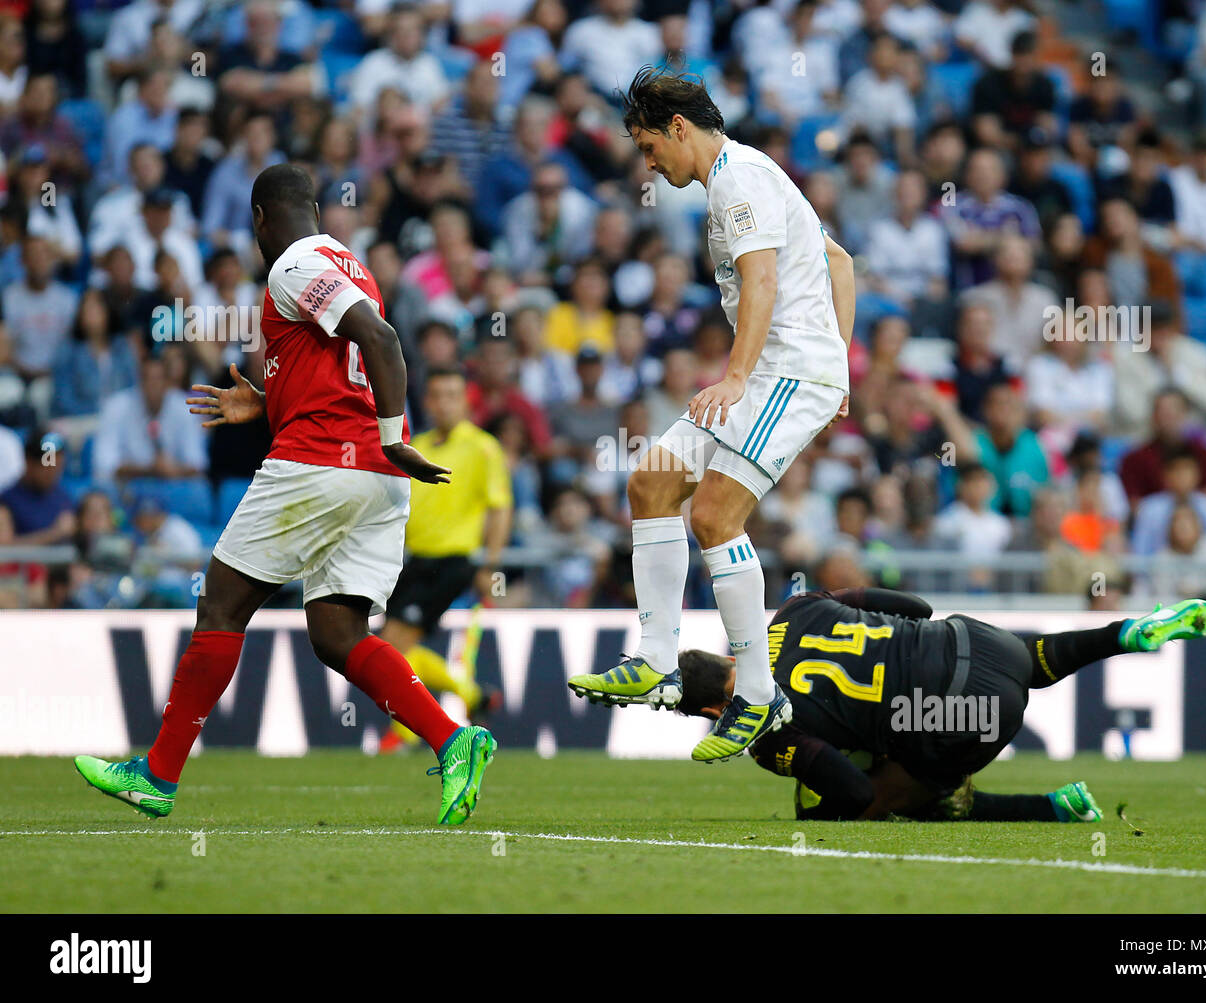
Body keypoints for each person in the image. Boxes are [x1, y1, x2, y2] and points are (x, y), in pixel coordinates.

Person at [73, 164, 496, 826]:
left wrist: (390, 435)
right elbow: (347, 370)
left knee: (220, 603)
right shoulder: (352, 265)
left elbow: (382, 342)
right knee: (336, 633)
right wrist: (270, 401)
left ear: (260, 220)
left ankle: (156, 774)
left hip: (326, 463)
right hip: (374, 482)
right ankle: (453, 738)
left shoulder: (293, 264)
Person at [567, 67, 853, 764]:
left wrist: (742, 374)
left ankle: (757, 692)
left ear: (678, 128)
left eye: (646, 146)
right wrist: (843, 356)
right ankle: (657, 659)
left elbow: (762, 278)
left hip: (782, 372)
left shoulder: (737, 180)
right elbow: (838, 260)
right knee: (651, 484)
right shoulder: (744, 176)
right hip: (781, 371)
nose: (648, 162)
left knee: (715, 515)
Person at [674, 587, 1206, 821]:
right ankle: (1126, 631)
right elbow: (916, 605)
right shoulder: (795, 610)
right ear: (725, 656)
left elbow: (856, 789)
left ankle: (1048, 807)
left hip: (961, 716)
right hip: (973, 641)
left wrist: (840, 808)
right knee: (1034, 659)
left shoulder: (767, 734)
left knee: (895, 796)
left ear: (709, 715)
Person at [379, 366, 512, 751]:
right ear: (427, 401)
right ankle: (471, 696)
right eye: (437, 395)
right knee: (390, 647)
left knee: (394, 645)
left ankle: (403, 735)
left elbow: (499, 506)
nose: (444, 403)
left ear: (466, 399)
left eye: (453, 395)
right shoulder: (414, 444)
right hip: (415, 560)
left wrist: (491, 562)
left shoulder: (483, 446)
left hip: (454, 560)